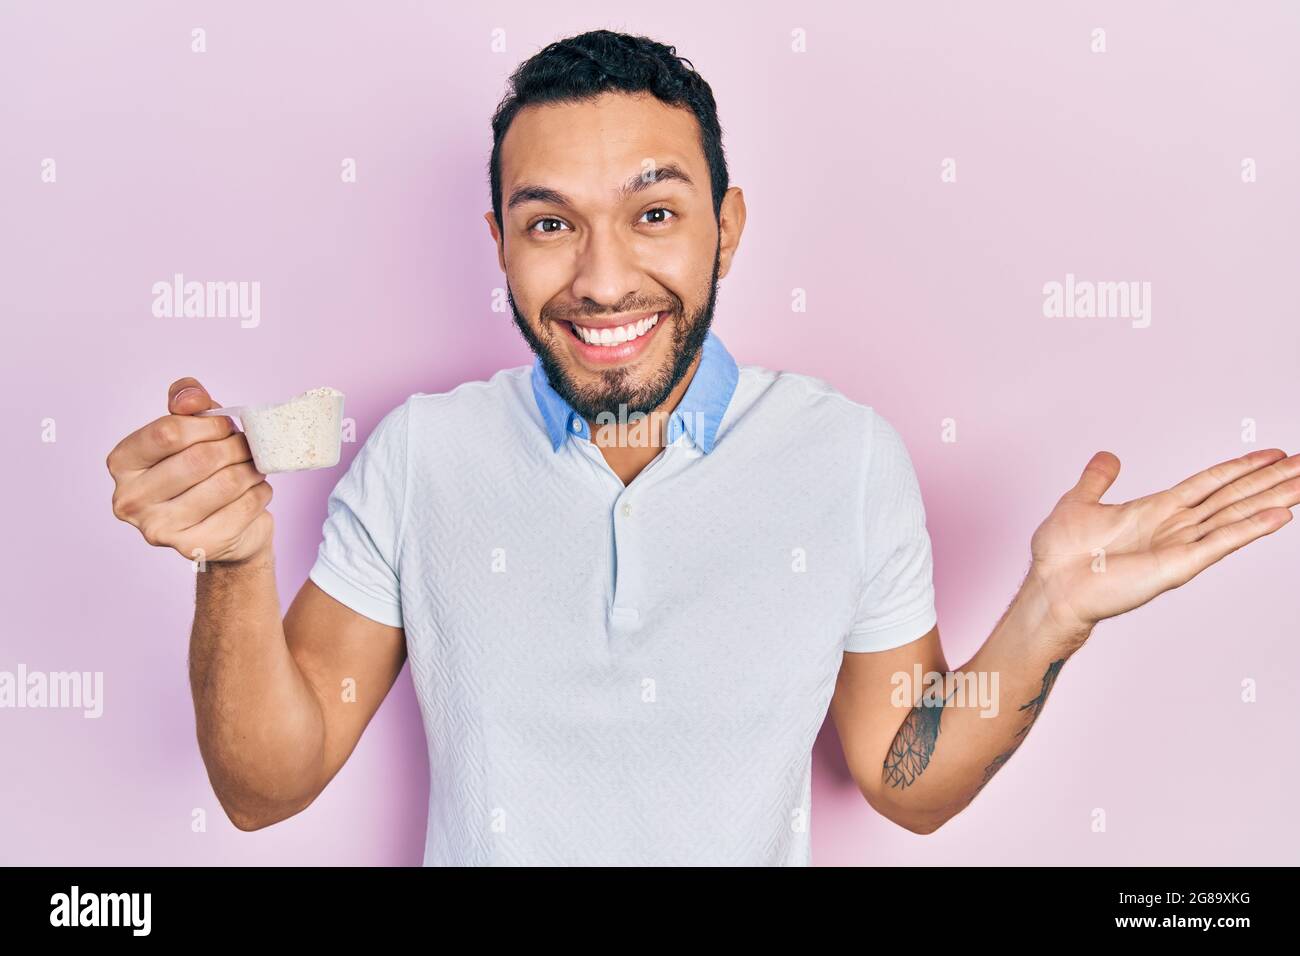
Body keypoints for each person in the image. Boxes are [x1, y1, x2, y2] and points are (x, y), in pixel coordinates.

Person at [105, 30, 1299, 866]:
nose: (603, 275)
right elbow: (269, 785)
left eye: (654, 212)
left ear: (726, 226)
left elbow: (904, 777)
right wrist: (233, 560)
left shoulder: (847, 458)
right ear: (499, 241)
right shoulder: (420, 457)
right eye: (550, 224)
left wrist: (1050, 611)